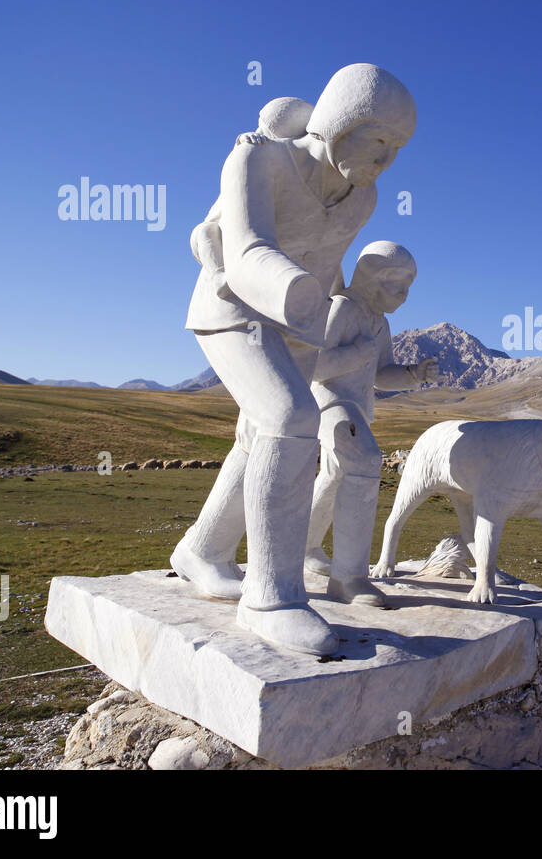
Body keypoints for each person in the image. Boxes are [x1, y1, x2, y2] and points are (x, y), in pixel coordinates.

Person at [170, 64, 415, 656]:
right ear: (339, 120)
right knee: (290, 418)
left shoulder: (365, 196)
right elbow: (244, 247)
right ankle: (272, 599)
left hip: (300, 321)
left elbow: (329, 257)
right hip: (233, 305)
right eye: (378, 139)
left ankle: (201, 551)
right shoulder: (259, 161)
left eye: (397, 148)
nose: (386, 160)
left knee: (259, 435)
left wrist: (322, 316)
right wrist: (294, 290)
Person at [303, 241, 438, 607]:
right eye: (398, 288)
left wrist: (412, 374)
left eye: (408, 289)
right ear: (371, 280)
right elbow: (313, 367)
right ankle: (349, 578)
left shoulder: (380, 322)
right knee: (363, 462)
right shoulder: (343, 309)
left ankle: (306, 546)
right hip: (330, 402)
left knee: (335, 476)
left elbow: (380, 374)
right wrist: (356, 354)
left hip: (356, 408)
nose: (405, 297)